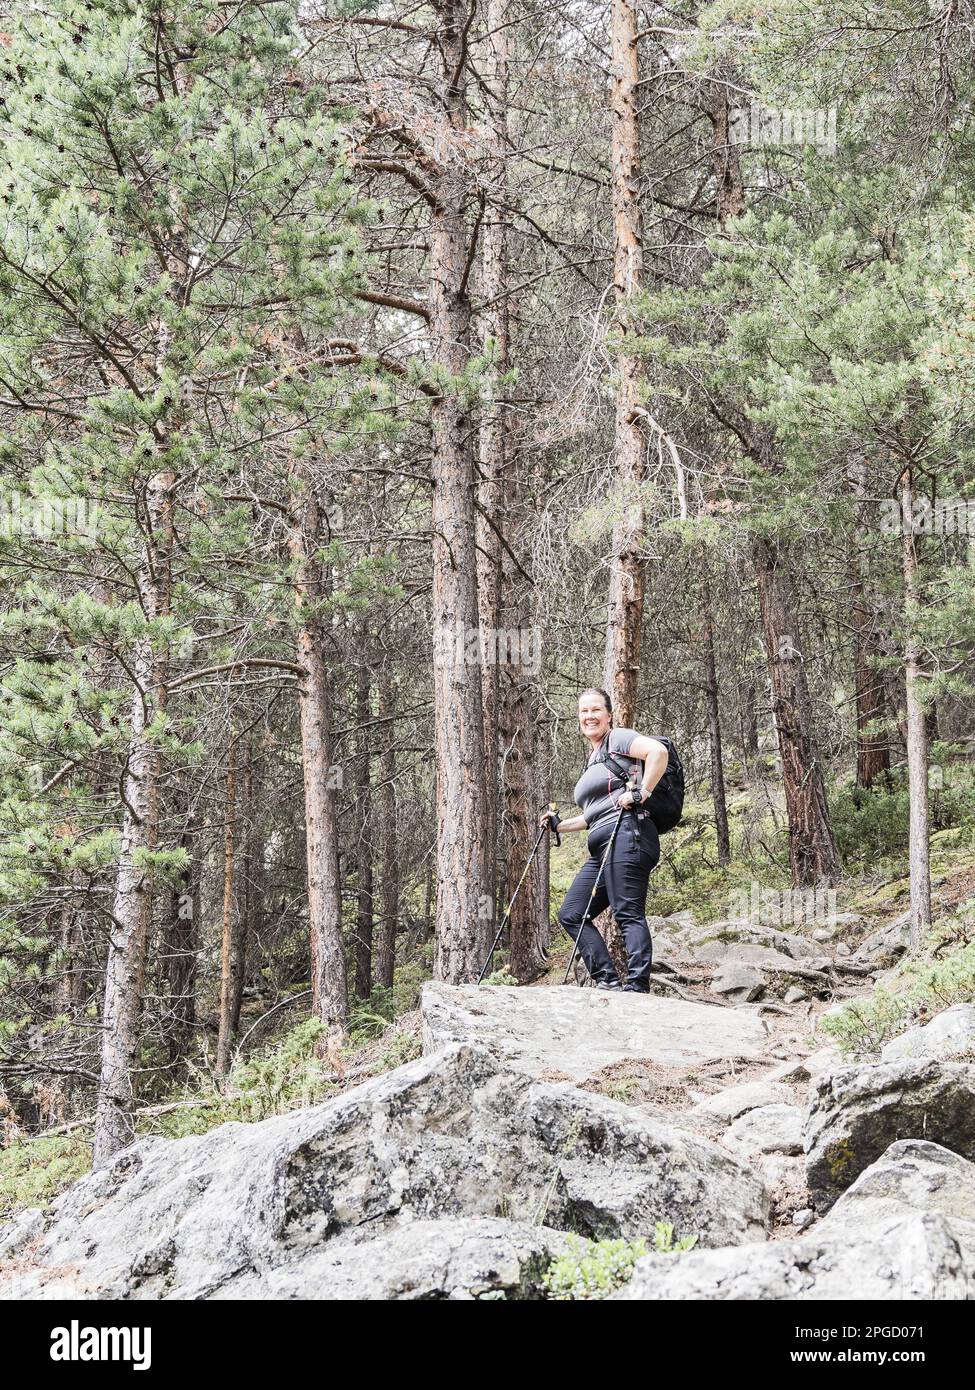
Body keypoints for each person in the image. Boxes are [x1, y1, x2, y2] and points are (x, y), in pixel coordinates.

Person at [541, 687, 669, 992]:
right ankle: (608, 980)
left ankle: (637, 986)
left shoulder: (619, 738)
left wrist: (642, 792)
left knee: (627, 911)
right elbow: (591, 816)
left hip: (629, 835)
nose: (589, 716)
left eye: (595, 710)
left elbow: (658, 753)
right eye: (583, 712)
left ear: (609, 715)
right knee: (572, 913)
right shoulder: (594, 757)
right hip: (603, 846)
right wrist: (558, 826)